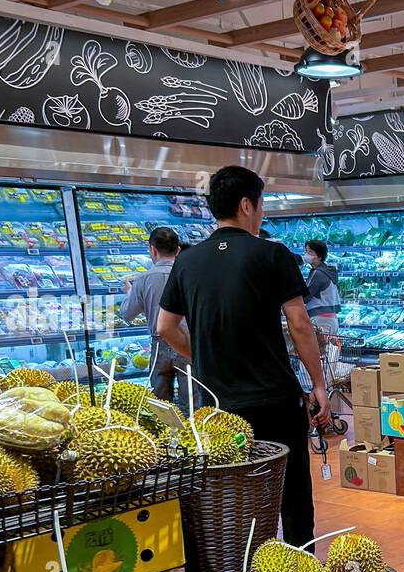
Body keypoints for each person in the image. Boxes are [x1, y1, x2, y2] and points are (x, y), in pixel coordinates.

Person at [156, 165, 329, 547]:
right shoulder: (271, 254)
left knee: (232, 498)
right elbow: (299, 324)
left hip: (218, 406)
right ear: (247, 204)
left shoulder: (187, 261)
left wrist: (200, 357)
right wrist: (318, 384)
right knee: (293, 494)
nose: (262, 212)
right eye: (261, 204)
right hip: (274, 399)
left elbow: (165, 326)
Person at [119, 226, 185, 406]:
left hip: (160, 343)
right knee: (192, 402)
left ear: (152, 250)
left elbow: (127, 314)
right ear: (178, 250)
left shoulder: (143, 279)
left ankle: (165, 433)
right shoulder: (189, 273)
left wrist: (130, 292)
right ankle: (195, 432)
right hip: (188, 343)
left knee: (161, 404)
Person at [303, 239, 341, 336]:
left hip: (320, 319)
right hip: (331, 318)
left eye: (310, 252)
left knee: (317, 350)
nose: (306, 255)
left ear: (319, 256)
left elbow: (305, 296)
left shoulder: (318, 273)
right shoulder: (328, 272)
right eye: (306, 251)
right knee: (327, 350)